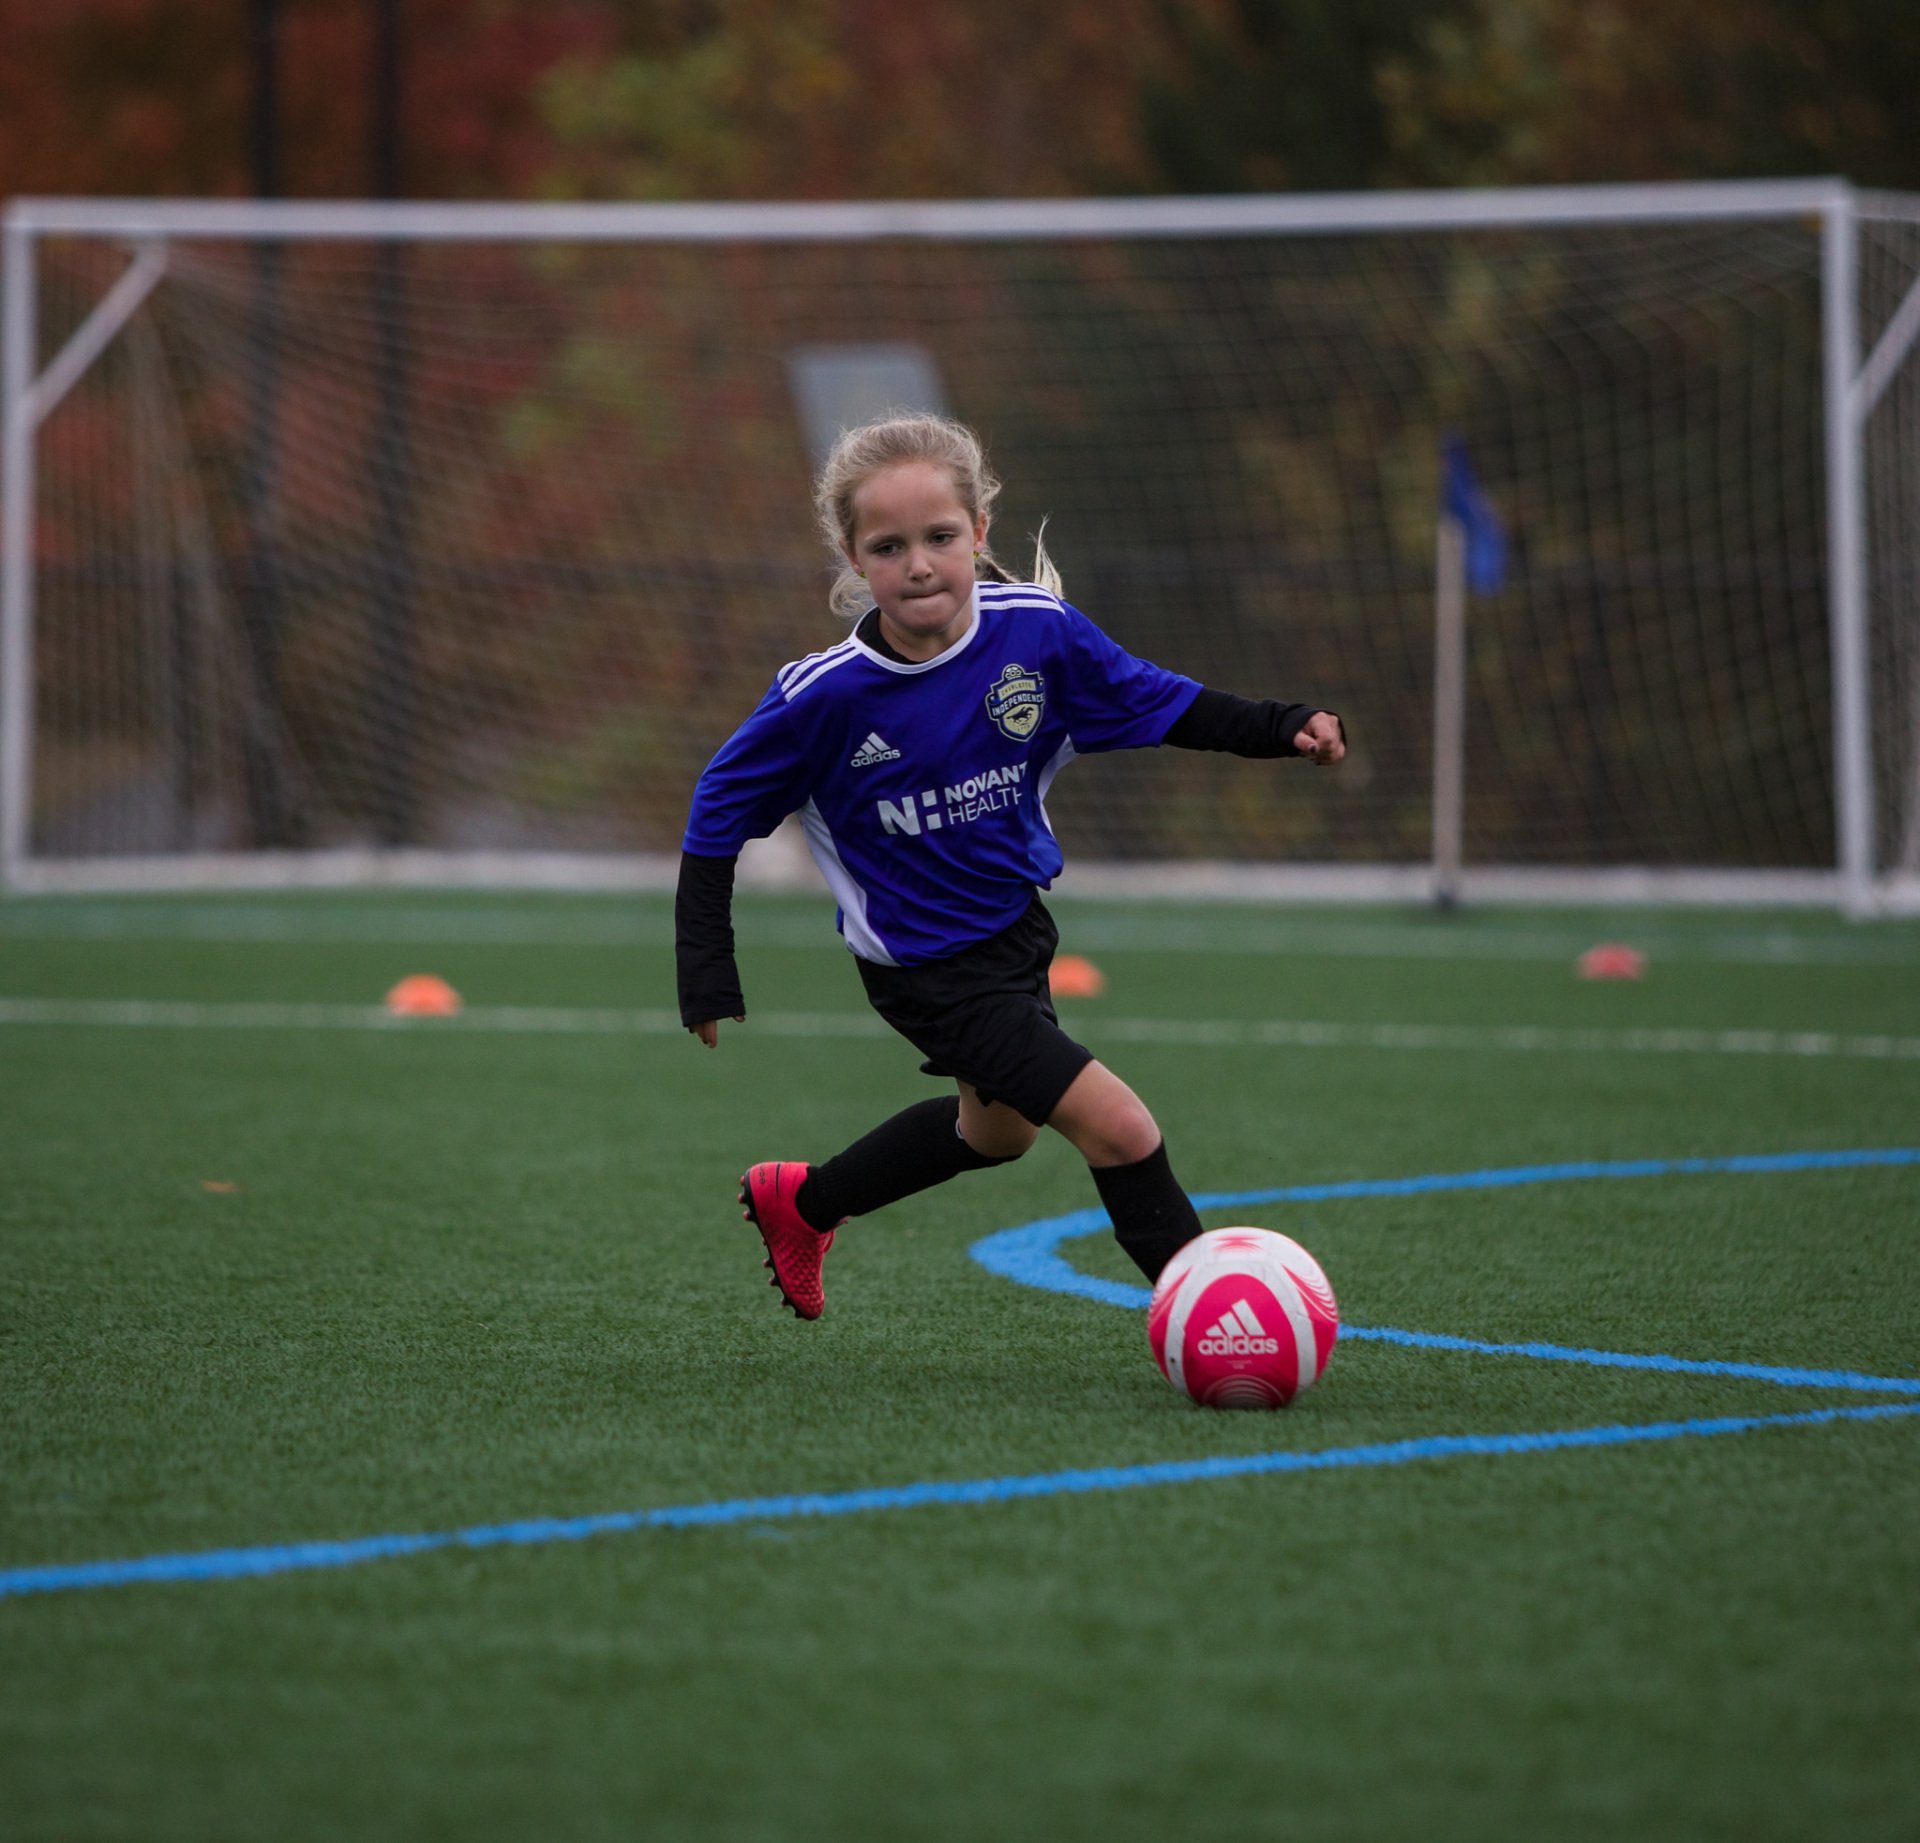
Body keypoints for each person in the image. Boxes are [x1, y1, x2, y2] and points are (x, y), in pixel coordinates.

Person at [677, 413, 1346, 1319]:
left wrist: (1282, 725)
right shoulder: (821, 698)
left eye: (940, 537)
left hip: (1016, 933)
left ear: (979, 533)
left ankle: (803, 1203)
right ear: (852, 556)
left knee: (997, 1135)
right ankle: (1220, 1318)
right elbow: (716, 811)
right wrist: (706, 970)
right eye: (889, 546)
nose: (919, 564)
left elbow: (1159, 700)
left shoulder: (1036, 633)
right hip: (925, 968)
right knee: (1121, 1128)